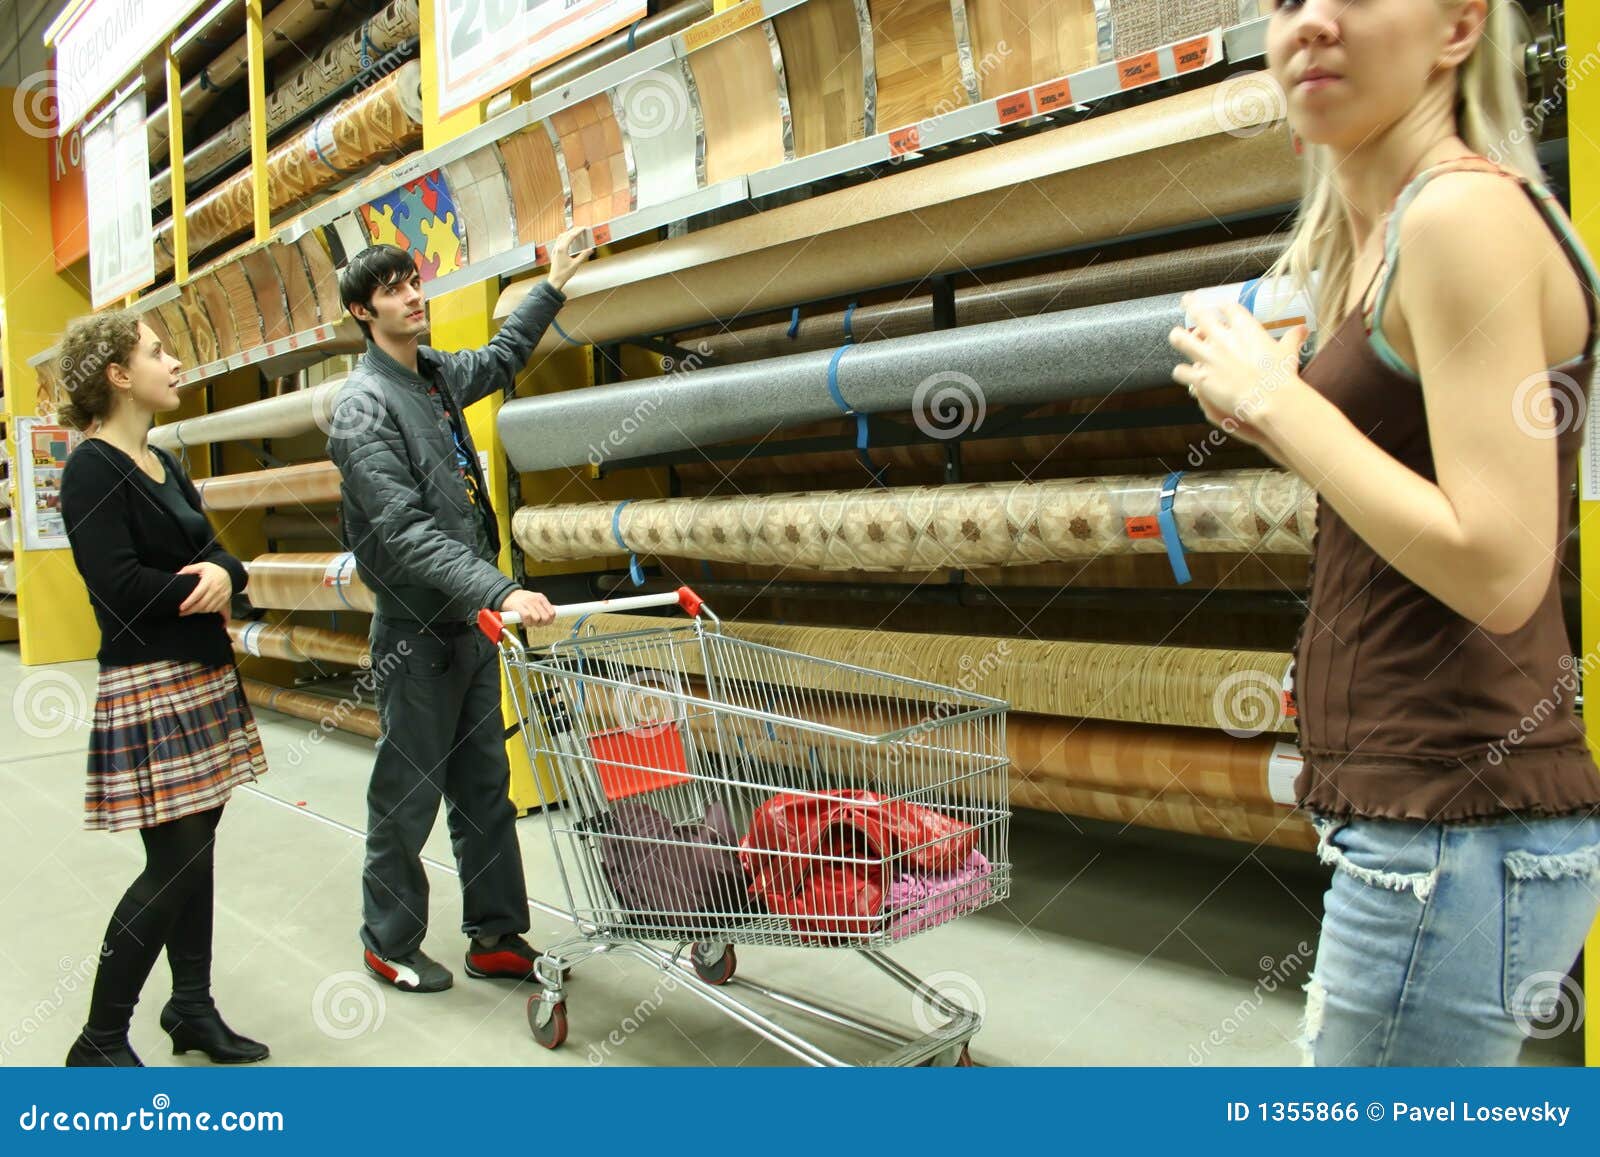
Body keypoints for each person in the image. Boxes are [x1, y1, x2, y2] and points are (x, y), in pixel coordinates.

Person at [1170, 0, 1600, 1065]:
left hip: (1454, 820)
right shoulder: (1371, 238)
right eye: (1282, 1)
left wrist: (1281, 401)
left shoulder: (1462, 216)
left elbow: (1499, 568)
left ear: (1457, 29)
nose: (1309, 21)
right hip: (1418, 820)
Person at [329, 227, 591, 993]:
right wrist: (501, 588)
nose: (415, 295)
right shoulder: (362, 408)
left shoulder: (435, 374)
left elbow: (504, 357)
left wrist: (554, 281)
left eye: (416, 280)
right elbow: (404, 532)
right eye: (394, 289)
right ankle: (388, 939)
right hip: (416, 634)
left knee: (485, 787)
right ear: (361, 311)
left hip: (470, 627)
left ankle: (497, 933)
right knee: (407, 795)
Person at [56, 312, 269, 1067]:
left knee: (197, 852)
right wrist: (202, 580)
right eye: (157, 352)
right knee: (175, 860)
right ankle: (100, 1039)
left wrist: (227, 572)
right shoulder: (90, 467)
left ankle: (190, 1007)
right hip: (151, 681)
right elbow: (114, 587)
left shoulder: (161, 459)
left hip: (201, 675)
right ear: (117, 375)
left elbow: (216, 553)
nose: (174, 362)